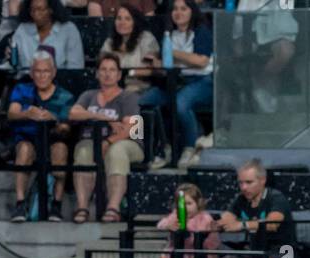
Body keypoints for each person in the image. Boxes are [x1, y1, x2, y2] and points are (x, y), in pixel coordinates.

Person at [139, 0, 214, 169]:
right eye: (174, 9)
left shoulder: (201, 31)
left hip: (202, 81)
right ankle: (159, 148)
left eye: (183, 9)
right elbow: (167, 65)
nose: (178, 13)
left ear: (192, 11)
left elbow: (201, 61)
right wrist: (157, 63)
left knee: (180, 104)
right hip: (175, 80)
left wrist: (172, 53)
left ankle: (190, 147)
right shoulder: (169, 34)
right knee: (144, 102)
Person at [69, 54, 143, 223]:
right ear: (97, 74)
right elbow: (73, 113)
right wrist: (103, 117)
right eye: (103, 70)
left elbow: (132, 128)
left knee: (116, 152)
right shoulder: (89, 95)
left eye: (112, 70)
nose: (107, 74)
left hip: (127, 144)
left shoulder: (129, 97)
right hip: (92, 141)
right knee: (83, 151)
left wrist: (108, 141)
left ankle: (113, 207)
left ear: (119, 75)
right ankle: (82, 207)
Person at [6, 51, 73, 222]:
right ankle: (20, 204)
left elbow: (66, 128)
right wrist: (27, 113)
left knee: (60, 149)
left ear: (53, 72)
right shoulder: (22, 90)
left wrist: (54, 119)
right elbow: (12, 113)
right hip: (28, 138)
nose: (42, 76)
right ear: (31, 73)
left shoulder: (65, 96)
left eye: (46, 71)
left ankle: (56, 206)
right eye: (37, 71)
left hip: (52, 139)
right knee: (25, 150)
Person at [216, 158, 297, 258]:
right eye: (240, 183)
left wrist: (242, 225)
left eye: (249, 182)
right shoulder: (240, 199)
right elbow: (225, 220)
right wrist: (207, 222)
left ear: (262, 180)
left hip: (285, 251)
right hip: (254, 250)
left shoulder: (276, 198)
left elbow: (272, 224)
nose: (243, 187)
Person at [141, 182, 222, 258]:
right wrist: (168, 225)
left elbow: (212, 243)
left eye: (189, 203)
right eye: (182, 204)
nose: (185, 208)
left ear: (198, 203)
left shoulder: (205, 218)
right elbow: (160, 224)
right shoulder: (176, 215)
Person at [233, 0, 298, 115]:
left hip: (277, 29)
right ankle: (245, 93)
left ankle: (261, 82)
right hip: (248, 27)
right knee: (240, 52)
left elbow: (287, 9)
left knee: (285, 51)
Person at [100, 5, 161, 96]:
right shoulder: (109, 42)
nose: (122, 22)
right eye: (119, 18)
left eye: (127, 19)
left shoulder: (146, 38)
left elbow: (152, 68)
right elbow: (101, 67)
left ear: (135, 22)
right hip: (112, 87)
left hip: (140, 87)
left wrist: (129, 72)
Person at [10, 0, 85, 74]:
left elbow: (76, 69)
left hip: (60, 83)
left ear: (51, 10)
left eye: (40, 10)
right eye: (32, 10)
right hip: (27, 83)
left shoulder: (69, 30)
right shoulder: (22, 29)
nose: (36, 14)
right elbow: (15, 68)